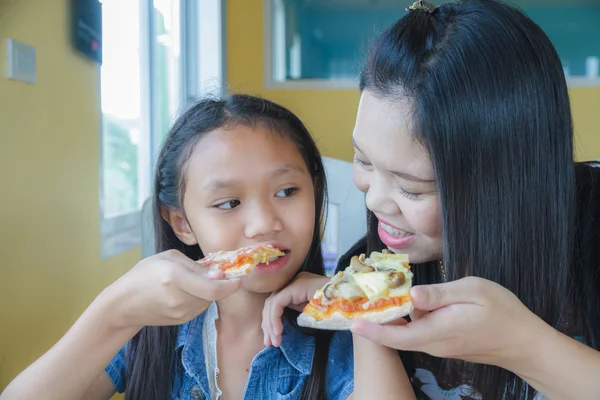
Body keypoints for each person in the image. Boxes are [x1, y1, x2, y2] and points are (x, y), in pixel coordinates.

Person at [262, 0, 600, 398]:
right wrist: (359, 310)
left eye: (412, 188)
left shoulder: (590, 233)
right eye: (364, 161)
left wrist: (521, 344)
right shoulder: (380, 267)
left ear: (503, 179)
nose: (376, 202)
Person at [0, 94, 415, 400]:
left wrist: (359, 307)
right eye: (229, 203)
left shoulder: (339, 338)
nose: (264, 224)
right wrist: (116, 307)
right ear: (181, 223)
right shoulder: (152, 331)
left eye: (287, 191)